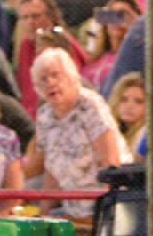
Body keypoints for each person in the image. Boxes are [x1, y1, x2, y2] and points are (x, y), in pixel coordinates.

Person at [25, 47, 124, 224]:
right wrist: (43, 214)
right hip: (72, 209)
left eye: (56, 75)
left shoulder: (90, 105)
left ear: (71, 76)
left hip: (103, 208)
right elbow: (52, 169)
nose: (50, 83)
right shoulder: (45, 116)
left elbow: (111, 163)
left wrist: (108, 214)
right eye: (43, 79)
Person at [11, 0, 82, 109]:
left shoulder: (61, 42)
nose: (30, 22)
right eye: (24, 18)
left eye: (36, 16)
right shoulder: (26, 44)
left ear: (52, 18)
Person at [106, 72, 147, 148]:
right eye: (124, 99)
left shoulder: (145, 136)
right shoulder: (107, 131)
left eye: (138, 101)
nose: (129, 106)